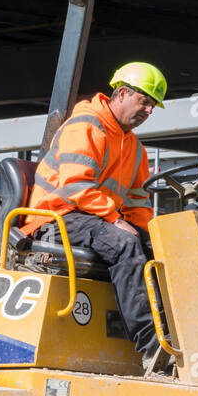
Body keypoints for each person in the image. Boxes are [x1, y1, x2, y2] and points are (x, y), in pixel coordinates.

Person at [19, 62, 168, 372]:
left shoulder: (135, 148)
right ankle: (152, 346)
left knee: (160, 251)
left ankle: (173, 336)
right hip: (55, 219)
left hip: (93, 220)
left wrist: (153, 238)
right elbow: (76, 188)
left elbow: (139, 203)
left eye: (153, 105)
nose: (149, 111)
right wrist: (116, 220)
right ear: (123, 93)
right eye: (144, 101)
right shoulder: (86, 126)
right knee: (124, 244)